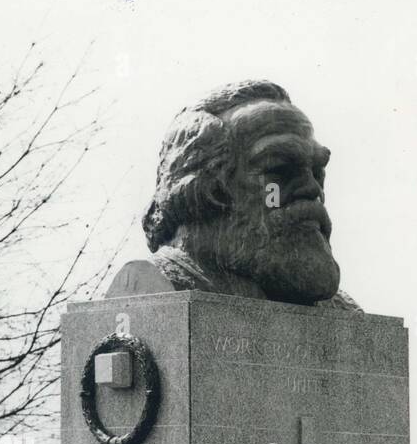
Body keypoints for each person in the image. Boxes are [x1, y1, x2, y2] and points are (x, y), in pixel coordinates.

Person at [106, 80, 359, 310]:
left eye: (317, 171)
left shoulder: (343, 309)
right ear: (206, 189)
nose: (312, 188)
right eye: (280, 170)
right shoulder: (156, 287)